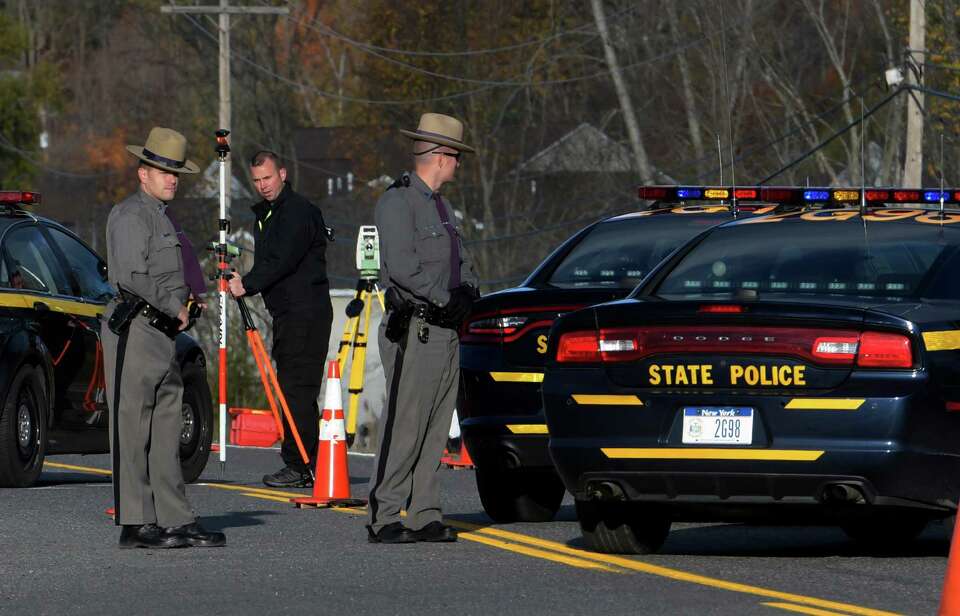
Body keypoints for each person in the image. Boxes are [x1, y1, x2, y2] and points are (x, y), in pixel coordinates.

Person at [102, 126, 225, 549]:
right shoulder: (130, 216)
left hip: (163, 335)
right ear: (143, 173)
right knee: (133, 428)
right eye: (163, 170)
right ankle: (135, 523)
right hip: (137, 329)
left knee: (166, 428)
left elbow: (170, 273)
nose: (172, 178)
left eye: (176, 172)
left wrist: (188, 300)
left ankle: (174, 518)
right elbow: (131, 276)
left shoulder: (161, 218)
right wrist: (174, 306)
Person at [366, 113, 480, 544]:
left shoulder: (441, 206)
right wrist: (446, 300)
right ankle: (385, 513)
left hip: (446, 330)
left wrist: (469, 292)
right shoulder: (398, 202)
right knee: (406, 424)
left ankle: (424, 511)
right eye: (456, 157)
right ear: (440, 156)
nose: (459, 166)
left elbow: (460, 260)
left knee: (436, 424)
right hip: (418, 328)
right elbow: (404, 268)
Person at [228, 151, 333, 488]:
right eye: (257, 181)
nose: (263, 186)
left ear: (283, 174)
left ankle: (302, 464)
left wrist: (246, 283)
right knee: (292, 388)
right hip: (288, 313)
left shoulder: (297, 212)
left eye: (268, 178)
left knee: (297, 390)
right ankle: (305, 461)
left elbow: (282, 259)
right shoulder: (270, 213)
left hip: (305, 312)